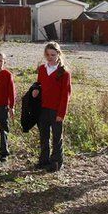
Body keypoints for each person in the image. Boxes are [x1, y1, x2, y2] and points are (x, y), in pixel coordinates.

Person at [33, 42, 71, 172]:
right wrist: (35, 90)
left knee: (56, 137)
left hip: (56, 110)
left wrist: (61, 113)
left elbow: (66, 95)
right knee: (44, 135)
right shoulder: (42, 69)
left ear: (58, 54)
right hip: (42, 109)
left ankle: (56, 162)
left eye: (53, 55)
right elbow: (38, 85)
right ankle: (44, 160)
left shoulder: (64, 73)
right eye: (47, 54)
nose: (50, 57)